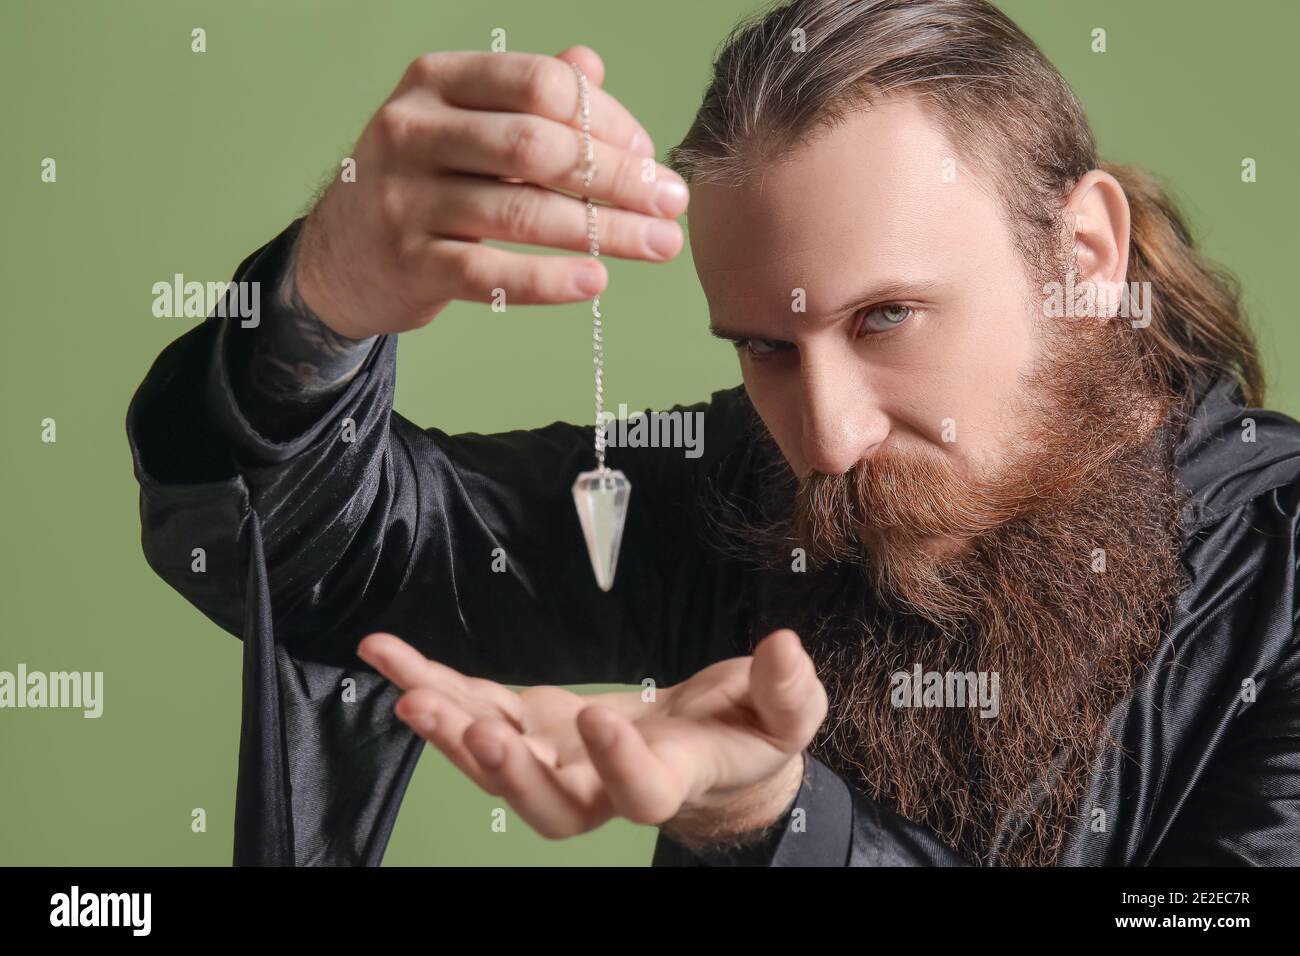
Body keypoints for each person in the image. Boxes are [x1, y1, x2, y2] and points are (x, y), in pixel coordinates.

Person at [126, 0, 1300, 866]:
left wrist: (771, 822)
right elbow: (311, 558)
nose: (827, 437)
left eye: (885, 316)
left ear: (1082, 258)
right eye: (765, 347)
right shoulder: (753, 488)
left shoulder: (1283, 577)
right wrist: (319, 306)